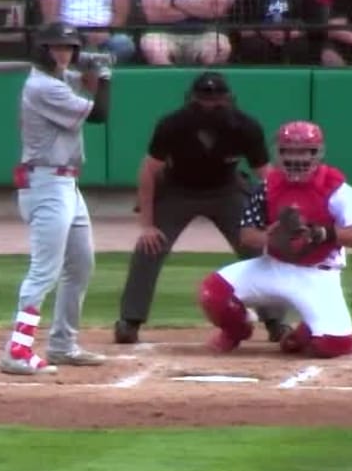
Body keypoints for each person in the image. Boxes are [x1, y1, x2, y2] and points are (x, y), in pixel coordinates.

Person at [113, 72, 288, 346]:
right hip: (177, 190)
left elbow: (266, 175)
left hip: (226, 190)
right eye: (204, 100)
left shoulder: (245, 126)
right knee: (149, 247)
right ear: (192, 99)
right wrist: (147, 225)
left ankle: (277, 321)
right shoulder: (173, 124)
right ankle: (129, 320)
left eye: (216, 101)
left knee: (256, 247)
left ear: (228, 100)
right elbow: (149, 171)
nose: (209, 106)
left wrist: (279, 215)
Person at [197, 120, 352, 358]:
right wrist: (269, 239)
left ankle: (306, 331)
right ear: (279, 153)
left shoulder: (337, 191)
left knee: (335, 346)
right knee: (214, 292)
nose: (297, 159)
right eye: (289, 152)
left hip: (316, 274)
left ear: (317, 153)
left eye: (304, 152)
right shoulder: (266, 187)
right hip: (273, 266)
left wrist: (324, 233)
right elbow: (246, 235)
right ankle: (236, 331)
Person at [1, 21, 112, 376]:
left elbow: (83, 83)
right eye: (56, 48)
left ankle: (63, 344)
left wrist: (90, 70)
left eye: (68, 48)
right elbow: (100, 113)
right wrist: (106, 76)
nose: (63, 53)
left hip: (67, 185)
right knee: (44, 271)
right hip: (46, 183)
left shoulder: (59, 80)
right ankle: (16, 351)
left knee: (80, 264)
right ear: (42, 50)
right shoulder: (44, 87)